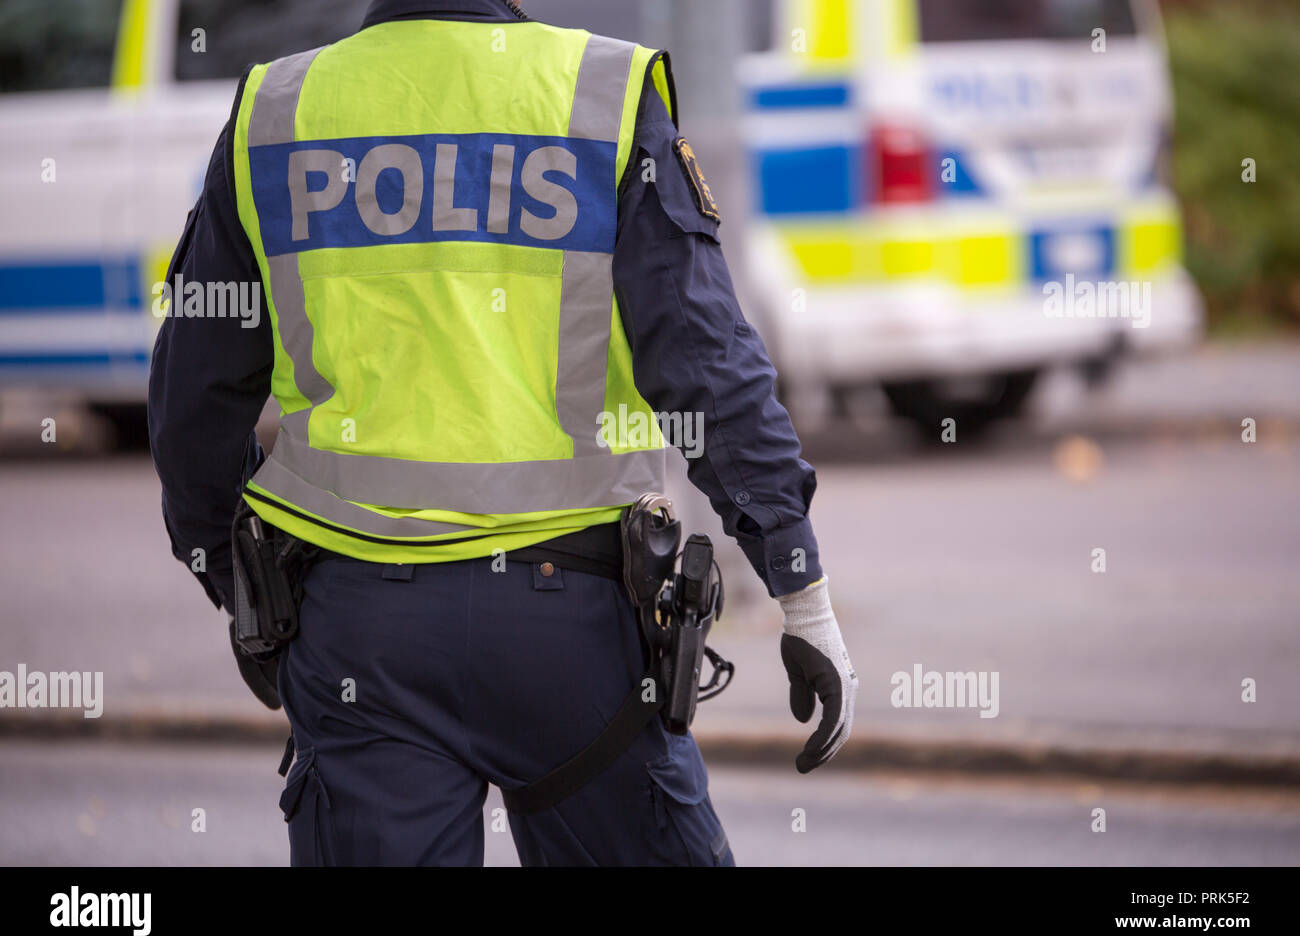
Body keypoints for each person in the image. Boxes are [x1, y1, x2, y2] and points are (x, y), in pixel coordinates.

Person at [148, 0, 857, 866]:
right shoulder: (599, 91)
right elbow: (705, 363)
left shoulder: (278, 110)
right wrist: (798, 585)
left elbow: (192, 405)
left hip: (362, 637)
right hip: (575, 633)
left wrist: (240, 592)